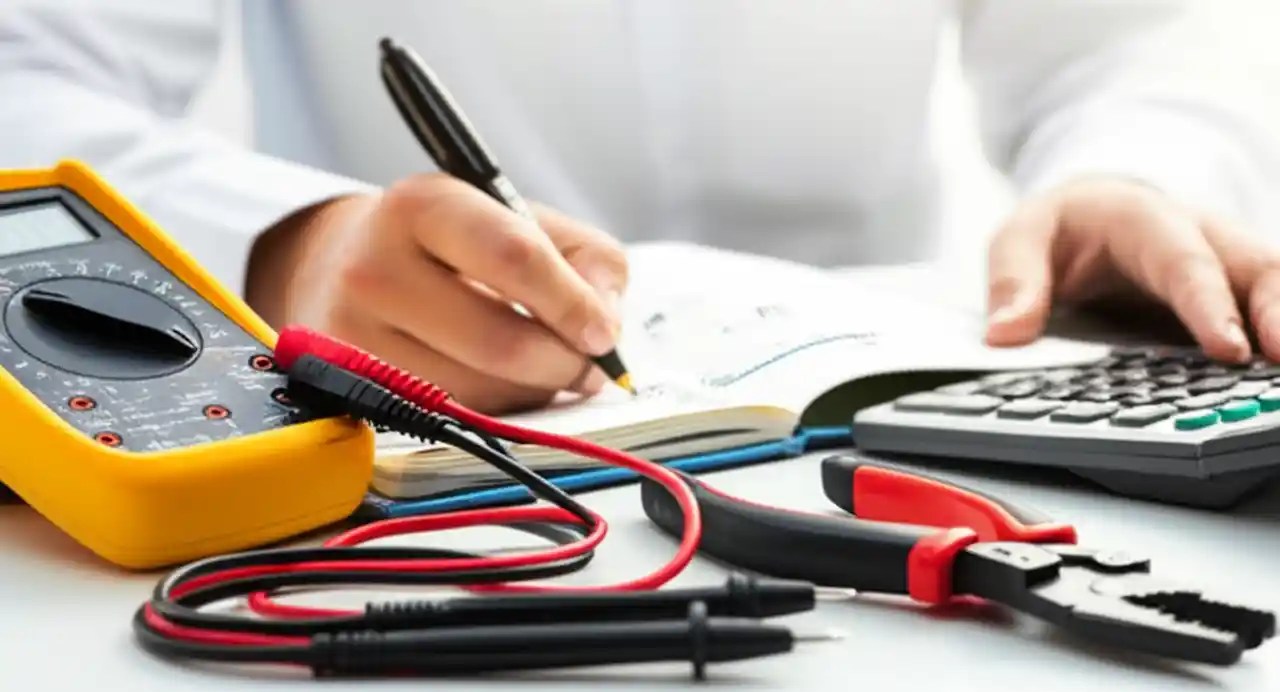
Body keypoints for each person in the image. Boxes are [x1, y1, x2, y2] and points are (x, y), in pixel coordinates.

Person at [2, 1, 1278, 414]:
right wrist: (285, 246)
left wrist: (1140, 167)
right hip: (428, 439)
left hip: (911, 410)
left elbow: (1138, 31)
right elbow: (27, 69)